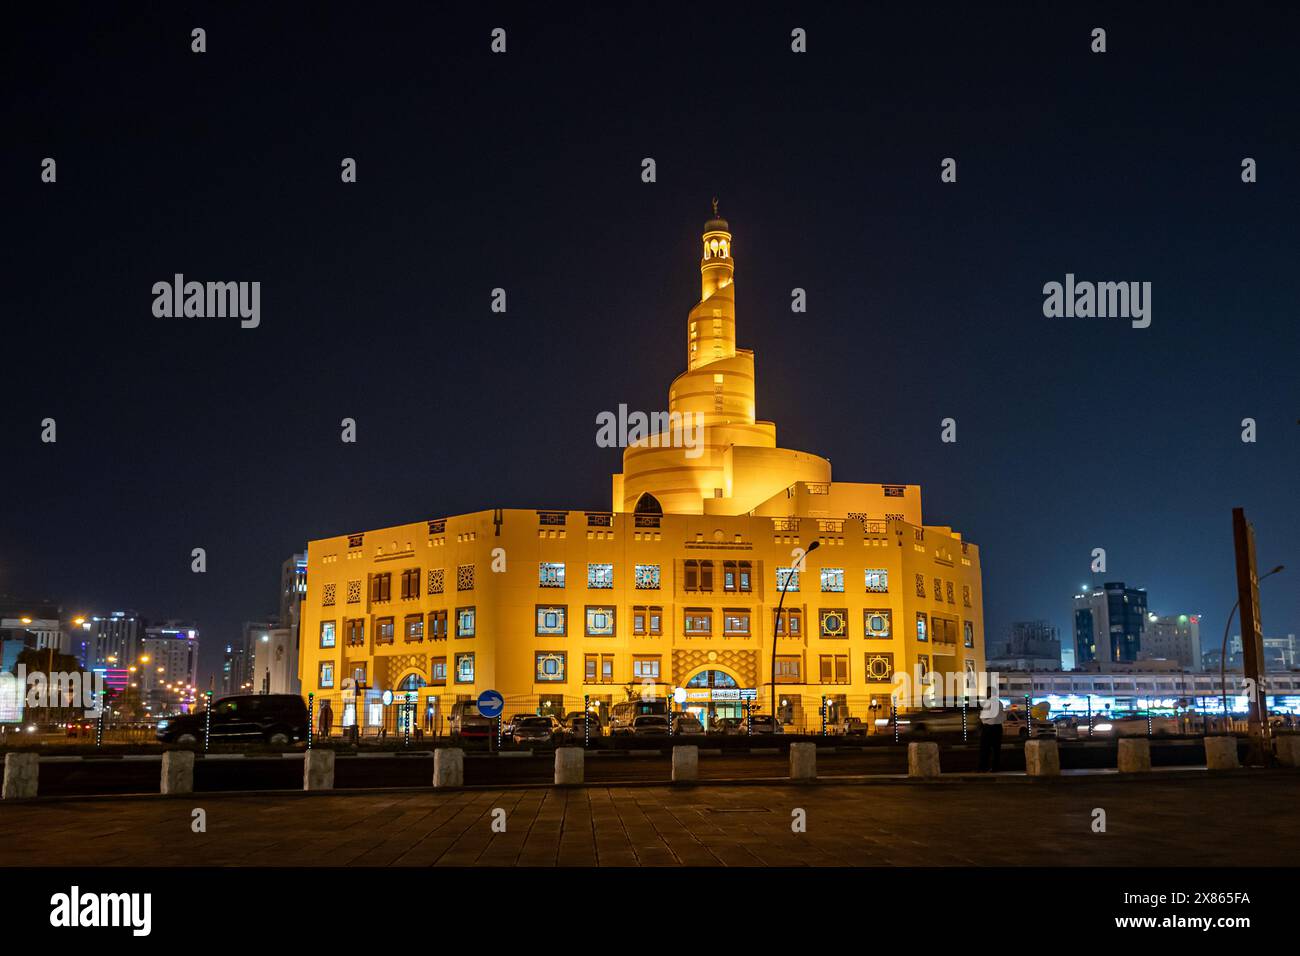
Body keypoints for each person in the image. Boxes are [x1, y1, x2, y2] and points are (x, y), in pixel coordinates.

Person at [978, 696, 1005, 772]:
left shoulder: (988, 702)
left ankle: (983, 767)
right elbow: (1002, 716)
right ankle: (995, 768)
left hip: (988, 728)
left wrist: (983, 721)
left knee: (985, 749)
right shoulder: (1000, 703)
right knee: (996, 750)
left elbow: (983, 716)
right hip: (998, 727)